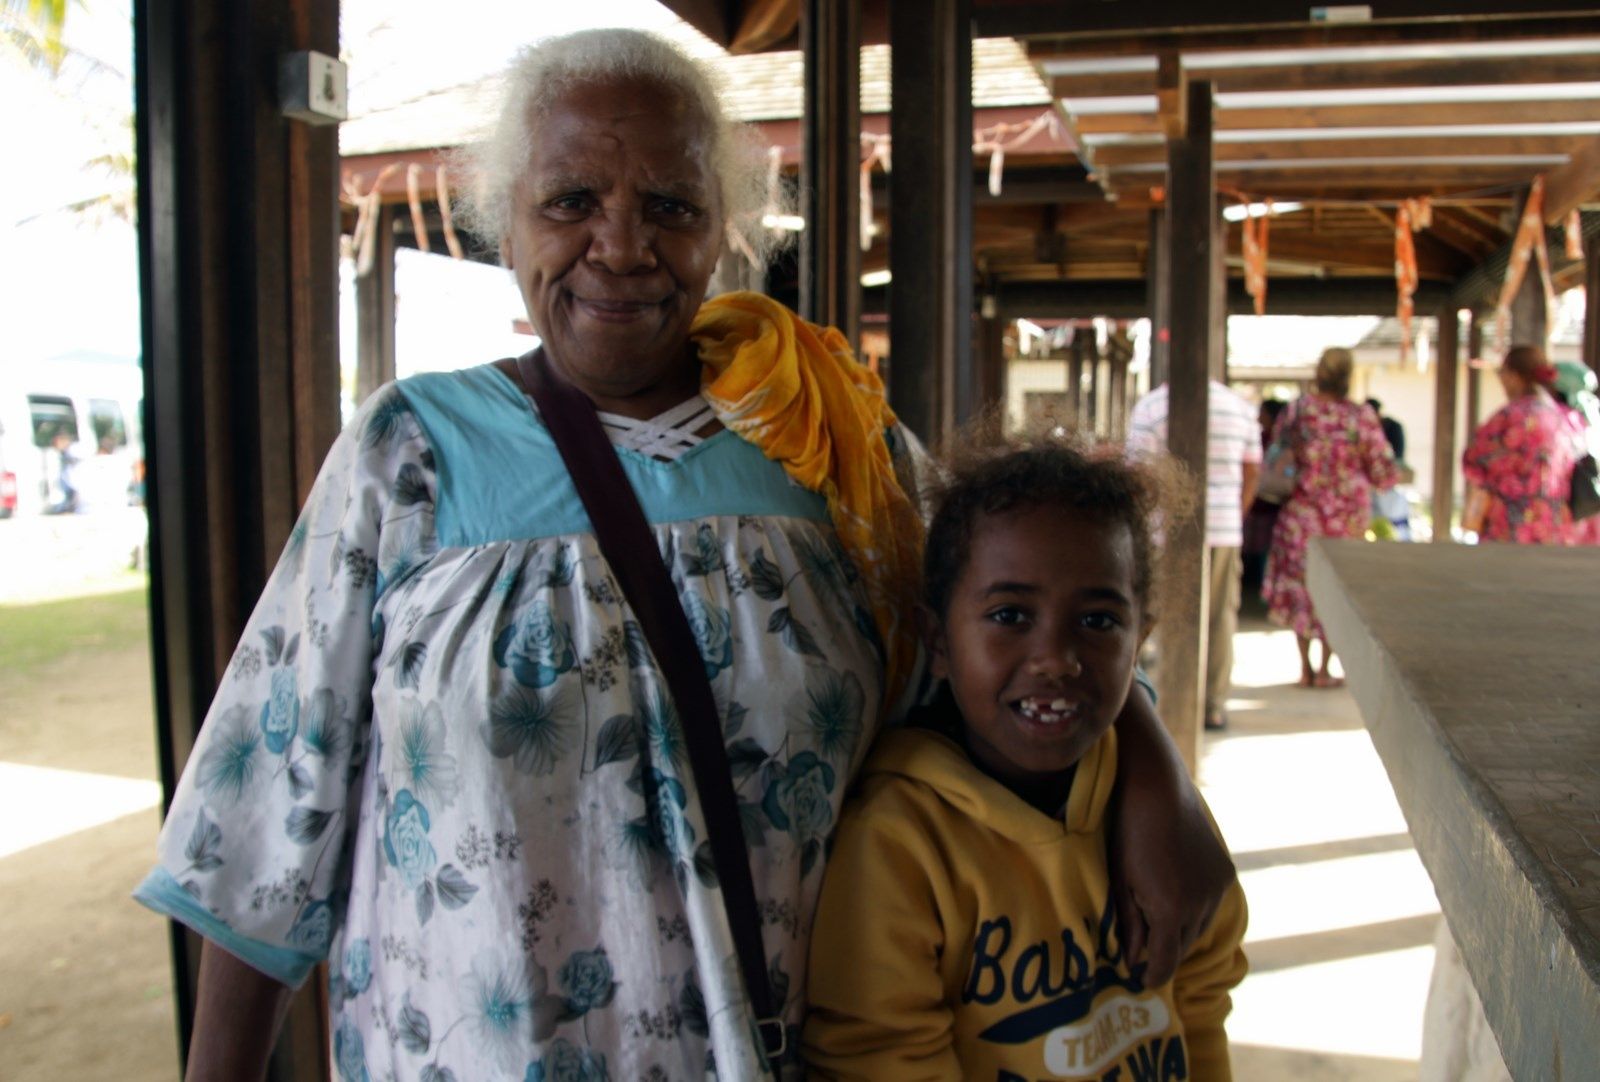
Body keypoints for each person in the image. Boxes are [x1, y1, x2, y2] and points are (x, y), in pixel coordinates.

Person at [135, 29, 1234, 1082]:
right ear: (504, 225)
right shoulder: (412, 451)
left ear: (726, 231)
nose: (620, 245)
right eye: (571, 202)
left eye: (669, 205)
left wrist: (1155, 776)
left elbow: (1015, 630)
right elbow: (268, 819)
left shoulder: (833, 446)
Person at [803, 438, 1248, 1081]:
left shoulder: (1160, 819)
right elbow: (882, 1057)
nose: (1055, 659)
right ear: (937, 642)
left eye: (1098, 622)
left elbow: (1201, 1010)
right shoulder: (899, 847)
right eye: (1010, 614)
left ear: (1140, 639)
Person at [1127, 377, 1260, 731]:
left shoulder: (1152, 406)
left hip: (1164, 530)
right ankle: (1213, 705)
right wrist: (1233, 513)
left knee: (1162, 618)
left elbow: (1137, 473)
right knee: (1219, 617)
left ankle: (1163, 704)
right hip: (1224, 527)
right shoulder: (1239, 407)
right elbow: (1252, 471)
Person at [1263, 348, 1397, 688]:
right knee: (1335, 592)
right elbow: (1383, 470)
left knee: (1301, 587)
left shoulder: (1298, 411)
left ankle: (1305, 668)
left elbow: (1276, 451)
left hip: (1302, 513)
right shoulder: (1361, 417)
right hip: (1346, 518)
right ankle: (1325, 669)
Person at [1462, 345, 1582, 546]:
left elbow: (1474, 460)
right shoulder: (1560, 417)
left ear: (1514, 375)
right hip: (1551, 525)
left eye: (1503, 372)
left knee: (1503, 576)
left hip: (1508, 523)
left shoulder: (1511, 415)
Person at [1364, 397, 1412, 541]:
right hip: (1371, 484)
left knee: (1393, 519)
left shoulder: (1393, 428)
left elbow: (1397, 458)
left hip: (1387, 485)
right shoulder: (1365, 429)